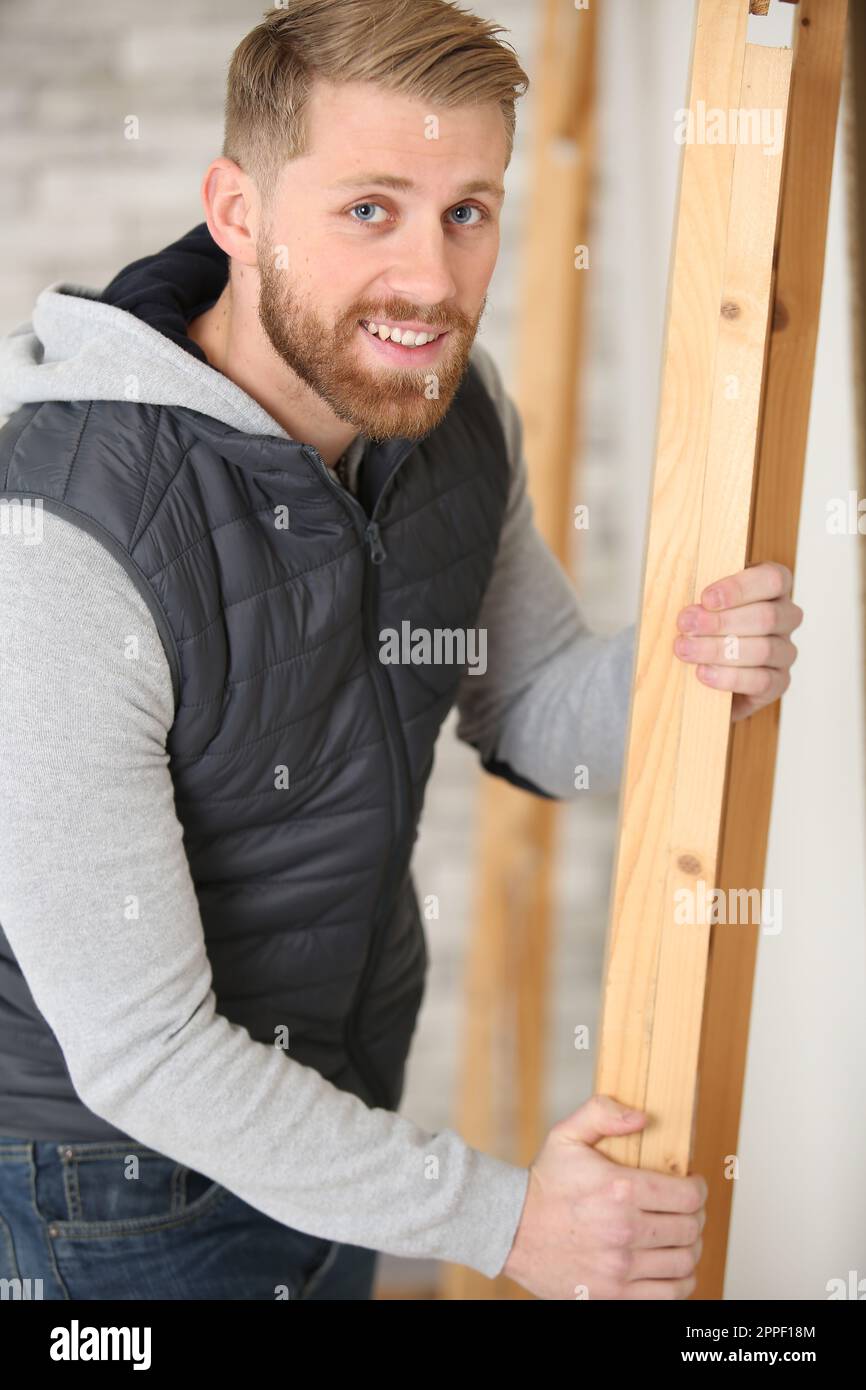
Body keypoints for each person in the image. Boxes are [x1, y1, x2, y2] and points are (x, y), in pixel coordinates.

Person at [0, 0, 801, 1301]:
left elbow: (535, 707)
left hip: (333, 1133)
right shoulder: (61, 533)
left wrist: (688, 662)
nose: (430, 281)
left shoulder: (449, 416)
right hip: (109, 1195)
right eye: (369, 208)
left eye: (467, 211)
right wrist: (504, 1219)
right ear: (237, 210)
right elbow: (141, 1049)